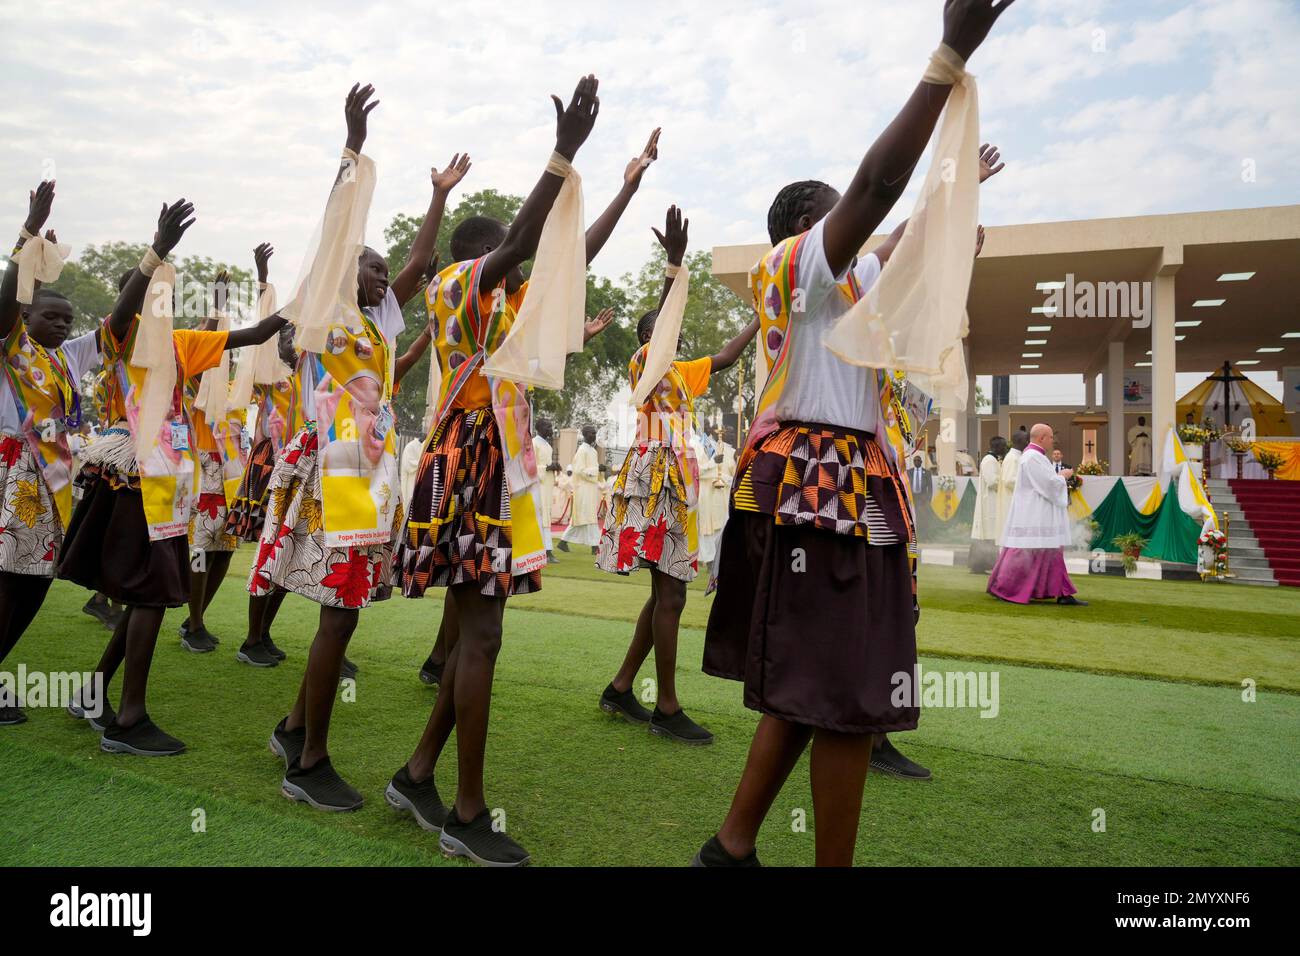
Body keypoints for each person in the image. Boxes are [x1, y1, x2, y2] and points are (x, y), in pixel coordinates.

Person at [694, 0, 1016, 867]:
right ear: (812, 231)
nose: (866, 233)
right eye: (848, 223)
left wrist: (956, 193)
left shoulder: (843, 287)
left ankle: (730, 851)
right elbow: (880, 193)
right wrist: (948, 56)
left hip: (840, 491)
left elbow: (910, 230)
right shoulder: (796, 269)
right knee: (849, 701)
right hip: (819, 494)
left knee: (813, 694)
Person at [390, 77, 641, 867]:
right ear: (484, 255)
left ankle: (418, 773)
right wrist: (562, 155)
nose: (521, 265)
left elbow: (572, 253)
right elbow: (530, 241)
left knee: (476, 632)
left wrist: (624, 191)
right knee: (484, 634)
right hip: (469, 459)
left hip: (491, 461)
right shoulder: (457, 285)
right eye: (507, 254)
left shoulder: (506, 301)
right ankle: (466, 813)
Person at [251, 85, 464, 805]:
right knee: (337, 612)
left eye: (383, 270)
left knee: (342, 611)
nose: (382, 275)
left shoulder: (374, 327)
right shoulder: (323, 310)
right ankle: (308, 762)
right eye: (370, 266)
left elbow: (424, 255)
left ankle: (290, 729)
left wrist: (437, 195)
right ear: (345, 269)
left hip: (364, 469)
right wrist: (351, 152)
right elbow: (337, 229)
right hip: (335, 466)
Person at [58, 196, 291, 755]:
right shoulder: (120, 338)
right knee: (154, 594)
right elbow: (121, 313)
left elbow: (255, 336)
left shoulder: (182, 343)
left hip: (169, 486)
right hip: (136, 482)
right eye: (152, 291)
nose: (161, 298)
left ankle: (95, 693)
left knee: (153, 593)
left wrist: (304, 298)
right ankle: (128, 720)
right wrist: (156, 252)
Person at [595, 205, 759, 745]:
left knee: (666, 594)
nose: (676, 337)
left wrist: (764, 312)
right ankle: (664, 705)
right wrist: (673, 267)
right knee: (670, 596)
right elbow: (665, 328)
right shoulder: (646, 360)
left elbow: (730, 356)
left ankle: (622, 688)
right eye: (667, 329)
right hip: (653, 476)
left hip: (675, 481)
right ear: (650, 335)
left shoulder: (683, 373)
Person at [0, 181, 104, 725]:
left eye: (67, 320)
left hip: (56, 481)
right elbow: (4, 309)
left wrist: (155, 259)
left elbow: (116, 324)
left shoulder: (68, 360)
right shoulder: (10, 343)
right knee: (9, 579)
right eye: (52, 317)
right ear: (27, 318)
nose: (63, 325)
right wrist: (29, 238)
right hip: (15, 473)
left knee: (34, 585)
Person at [223, 244, 299, 667]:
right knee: (270, 550)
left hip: (298, 467)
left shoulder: (310, 370)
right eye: (285, 337)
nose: (291, 343)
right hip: (270, 466)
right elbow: (262, 326)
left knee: (288, 551)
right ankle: (251, 637)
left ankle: (264, 632)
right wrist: (263, 277)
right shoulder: (270, 377)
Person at [176, 270, 242, 653]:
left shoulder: (233, 388)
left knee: (225, 551)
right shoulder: (196, 382)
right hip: (204, 471)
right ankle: (195, 621)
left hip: (231, 473)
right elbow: (205, 350)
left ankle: (195, 618)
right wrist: (217, 308)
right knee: (200, 550)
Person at [988, 422, 1086, 606]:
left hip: (1039, 512)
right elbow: (1047, 484)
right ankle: (1004, 587)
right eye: (1050, 437)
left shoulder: (1035, 456)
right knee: (1028, 553)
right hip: (1035, 513)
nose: (1053, 441)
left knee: (1049, 553)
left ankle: (1062, 592)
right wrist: (1063, 476)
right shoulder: (1033, 457)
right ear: (1041, 438)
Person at [697, 424, 737, 571]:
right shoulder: (704, 450)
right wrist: (713, 464)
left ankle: (718, 559)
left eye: (732, 433)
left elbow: (734, 478)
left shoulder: (732, 452)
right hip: (707, 495)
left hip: (722, 496)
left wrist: (723, 478)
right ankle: (708, 560)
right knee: (706, 529)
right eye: (727, 432)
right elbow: (697, 472)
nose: (730, 436)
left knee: (721, 527)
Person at [559, 424, 603, 553]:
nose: (593, 436)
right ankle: (595, 547)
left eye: (595, 433)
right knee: (587, 517)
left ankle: (563, 542)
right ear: (584, 435)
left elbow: (592, 471)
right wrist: (596, 470)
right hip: (582, 489)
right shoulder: (582, 450)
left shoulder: (593, 451)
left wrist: (599, 470)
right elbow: (578, 470)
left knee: (583, 518)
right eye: (591, 433)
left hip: (591, 488)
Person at [969, 435, 1004, 572]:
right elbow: (992, 481)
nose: (1004, 448)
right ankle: (979, 565)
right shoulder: (989, 460)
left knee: (989, 533)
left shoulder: (994, 460)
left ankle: (982, 565)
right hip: (989, 502)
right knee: (987, 532)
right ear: (995, 446)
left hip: (993, 500)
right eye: (1002, 446)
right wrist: (1006, 480)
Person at [532, 416, 562, 564]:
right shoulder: (534, 443)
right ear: (539, 428)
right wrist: (547, 468)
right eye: (547, 427)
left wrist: (555, 467)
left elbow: (547, 465)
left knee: (545, 517)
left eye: (551, 427)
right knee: (541, 518)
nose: (550, 429)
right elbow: (530, 466)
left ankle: (545, 550)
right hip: (539, 486)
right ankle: (546, 551)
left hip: (547, 486)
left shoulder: (548, 446)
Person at [996, 428, 1027, 541]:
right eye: (1026, 440)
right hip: (1011, 501)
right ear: (1019, 441)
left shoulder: (1018, 456)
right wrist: (1028, 483)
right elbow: (1009, 481)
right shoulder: (1012, 458)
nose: (1028, 442)